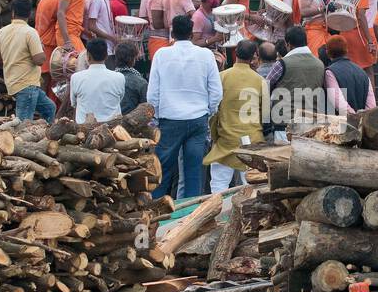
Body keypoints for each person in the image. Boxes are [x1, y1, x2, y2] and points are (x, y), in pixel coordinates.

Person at [149, 14, 223, 199]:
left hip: (169, 119)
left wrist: (156, 117)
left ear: (172, 33)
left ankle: (156, 211)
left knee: (162, 170)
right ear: (191, 33)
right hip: (197, 119)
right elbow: (216, 92)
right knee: (194, 171)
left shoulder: (161, 54)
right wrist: (209, 111)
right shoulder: (205, 55)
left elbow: (153, 93)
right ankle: (191, 215)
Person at [202, 38, 268, 191]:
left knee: (218, 185)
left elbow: (213, 109)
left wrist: (215, 135)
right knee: (252, 185)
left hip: (226, 140)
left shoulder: (221, 77)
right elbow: (265, 116)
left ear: (235, 53)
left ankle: (215, 214)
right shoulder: (261, 81)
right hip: (252, 141)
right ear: (254, 57)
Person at [0, 0, 53, 122]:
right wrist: (41, 49)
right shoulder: (30, 32)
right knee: (23, 124)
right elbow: (39, 60)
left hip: (14, 83)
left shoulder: (1, 32)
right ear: (29, 14)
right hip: (27, 85)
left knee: (50, 108)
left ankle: (46, 136)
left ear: (13, 12)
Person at [64, 36, 122, 122]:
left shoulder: (76, 77)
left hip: (85, 129)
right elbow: (120, 98)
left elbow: (74, 103)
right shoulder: (119, 77)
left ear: (88, 56)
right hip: (113, 128)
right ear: (106, 56)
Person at [324, 34, 375, 113]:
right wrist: (363, 117)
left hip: (344, 122)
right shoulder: (362, 72)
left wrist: (353, 115)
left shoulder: (330, 72)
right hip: (363, 122)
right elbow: (371, 105)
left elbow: (338, 101)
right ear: (346, 50)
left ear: (327, 52)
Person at [112, 41, 148, 114]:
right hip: (133, 122)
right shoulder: (140, 82)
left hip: (111, 121)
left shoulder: (109, 79)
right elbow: (146, 107)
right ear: (133, 59)